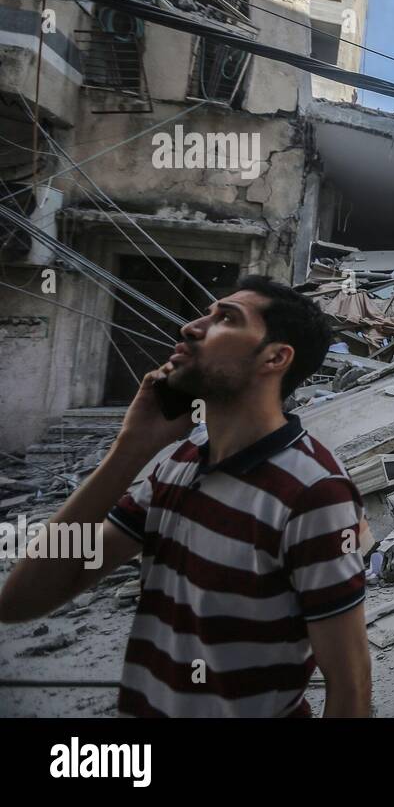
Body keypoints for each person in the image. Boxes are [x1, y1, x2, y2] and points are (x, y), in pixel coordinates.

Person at [0, 276, 371, 716]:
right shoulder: (178, 464)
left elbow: (350, 686)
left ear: (275, 357)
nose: (191, 328)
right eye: (207, 314)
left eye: (226, 318)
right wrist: (130, 449)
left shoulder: (313, 491)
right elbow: (22, 600)